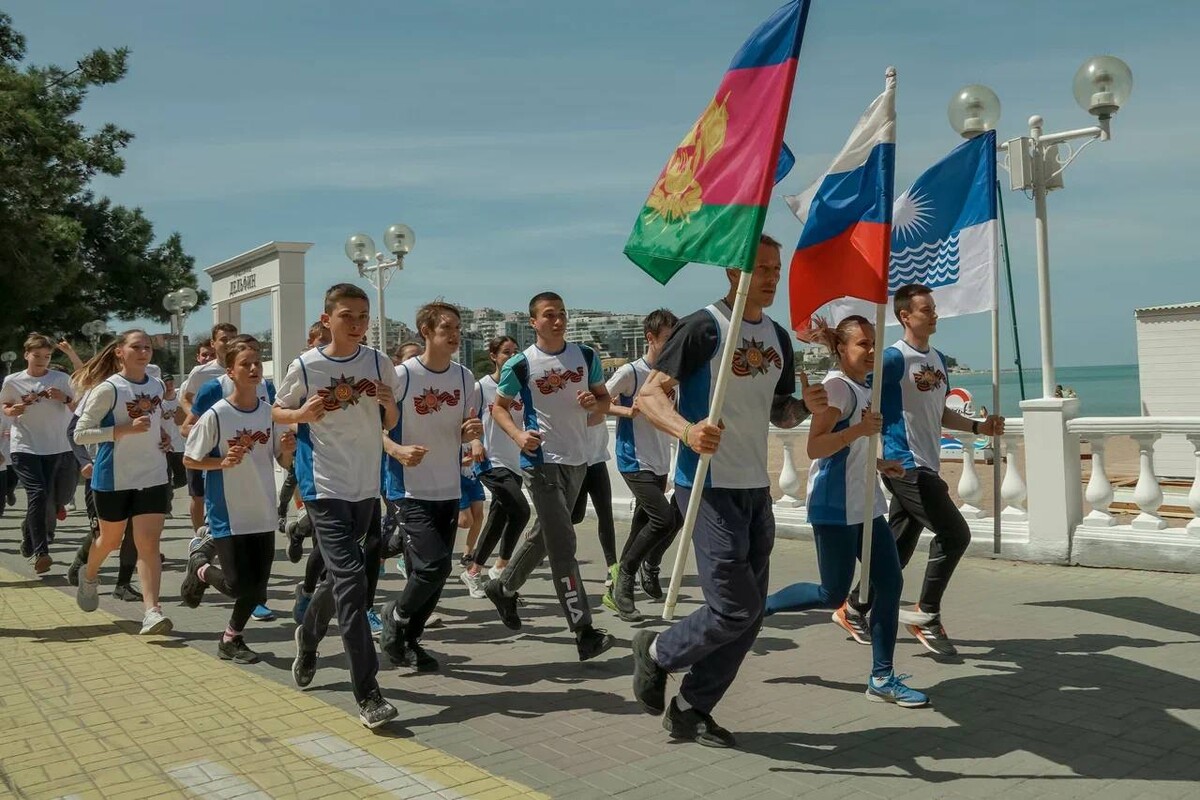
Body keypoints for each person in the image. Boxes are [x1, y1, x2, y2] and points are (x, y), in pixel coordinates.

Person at [629, 234, 827, 747]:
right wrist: (687, 432)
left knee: (751, 614)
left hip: (754, 488)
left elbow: (779, 412)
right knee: (733, 608)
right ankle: (656, 651)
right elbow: (649, 396)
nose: (771, 278)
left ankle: (693, 708)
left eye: (775, 269)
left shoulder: (779, 338)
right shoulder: (703, 328)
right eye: (761, 268)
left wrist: (805, 406)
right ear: (732, 273)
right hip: (707, 487)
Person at [764, 315, 928, 708]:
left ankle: (882, 677)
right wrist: (858, 432)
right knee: (831, 592)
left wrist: (879, 463)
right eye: (863, 344)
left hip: (867, 505)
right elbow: (816, 448)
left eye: (874, 343)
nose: (872, 350)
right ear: (841, 349)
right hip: (835, 507)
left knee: (890, 585)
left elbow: (854, 448)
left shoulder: (865, 386)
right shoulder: (838, 388)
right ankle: (759, 608)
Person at [846, 284, 1005, 657]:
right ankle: (926, 614)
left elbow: (940, 413)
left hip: (928, 463)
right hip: (905, 465)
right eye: (925, 309)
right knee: (955, 535)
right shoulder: (892, 359)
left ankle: (853, 608)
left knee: (897, 552)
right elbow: (859, 394)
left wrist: (980, 428)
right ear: (905, 316)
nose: (933, 314)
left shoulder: (937, 358)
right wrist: (865, 448)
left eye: (933, 308)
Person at [273, 282, 401, 729]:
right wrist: (299, 416)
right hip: (323, 486)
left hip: (366, 486)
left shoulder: (379, 363)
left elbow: (391, 421)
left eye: (364, 316)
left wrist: (389, 407)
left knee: (341, 582)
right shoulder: (306, 366)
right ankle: (368, 694)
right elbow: (277, 410)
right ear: (327, 319)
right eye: (348, 315)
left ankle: (308, 639)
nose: (358, 324)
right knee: (352, 585)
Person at [481, 291, 614, 661]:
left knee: (546, 534)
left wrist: (595, 403)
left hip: (578, 459)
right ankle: (583, 630)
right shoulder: (521, 364)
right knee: (563, 544)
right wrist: (519, 436)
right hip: (541, 463)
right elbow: (499, 408)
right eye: (549, 315)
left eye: (562, 314)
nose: (558, 321)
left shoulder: (586, 356)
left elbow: (604, 402)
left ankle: (503, 587)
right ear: (534, 322)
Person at [380, 302, 483, 672]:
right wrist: (396, 448)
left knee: (435, 574)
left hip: (448, 486)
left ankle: (410, 640)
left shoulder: (464, 378)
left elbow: (467, 426)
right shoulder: (403, 375)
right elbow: (374, 426)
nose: (454, 334)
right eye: (446, 328)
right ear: (426, 331)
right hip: (408, 489)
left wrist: (471, 434)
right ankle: (396, 616)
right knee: (432, 567)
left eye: (457, 327)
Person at [181, 339, 296, 664]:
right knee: (235, 585)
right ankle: (201, 569)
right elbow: (190, 460)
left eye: (257, 362)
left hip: (261, 510)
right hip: (228, 512)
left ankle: (231, 639)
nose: (254, 368)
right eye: (245, 364)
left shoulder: (268, 412)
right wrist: (221, 463)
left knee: (257, 590)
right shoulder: (217, 415)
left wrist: (287, 446)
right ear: (230, 371)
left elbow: (282, 460)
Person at [72, 330, 174, 635]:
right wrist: (122, 430)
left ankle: (152, 611)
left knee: (148, 544)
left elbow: (155, 423)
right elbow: (80, 434)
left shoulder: (155, 385)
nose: (143, 352)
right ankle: (89, 575)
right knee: (110, 540)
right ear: (120, 351)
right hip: (114, 477)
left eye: (147, 348)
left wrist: (163, 437)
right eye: (136, 347)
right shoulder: (108, 389)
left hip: (154, 475)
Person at [602, 309, 682, 621]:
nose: (672, 345)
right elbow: (599, 402)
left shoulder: (671, 374)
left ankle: (637, 572)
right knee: (662, 519)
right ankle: (625, 580)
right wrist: (626, 412)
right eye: (667, 340)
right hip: (633, 458)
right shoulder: (630, 373)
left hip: (661, 458)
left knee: (649, 525)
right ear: (650, 338)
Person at [0, 333, 77, 574]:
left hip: (58, 447)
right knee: (38, 493)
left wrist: (64, 398)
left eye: (47, 356)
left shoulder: (61, 378)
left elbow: (79, 408)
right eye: (37, 355)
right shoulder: (13, 381)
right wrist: (13, 409)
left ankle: (27, 532)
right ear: (26, 355)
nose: (42, 360)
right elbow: (5, 406)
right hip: (26, 447)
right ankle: (41, 552)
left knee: (57, 500)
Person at [460, 336, 531, 593]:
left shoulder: (521, 388)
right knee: (521, 511)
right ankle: (502, 566)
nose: (511, 357)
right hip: (490, 461)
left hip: (515, 461)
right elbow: (467, 420)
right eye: (505, 352)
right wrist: (476, 441)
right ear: (493, 356)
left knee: (498, 520)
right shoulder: (481, 388)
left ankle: (473, 571)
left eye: (515, 352)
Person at [181, 323, 238, 538]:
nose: (229, 342)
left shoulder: (245, 368)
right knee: (198, 496)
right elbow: (186, 399)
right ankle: (199, 538)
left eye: (233, 337)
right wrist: (201, 421)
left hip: (231, 443)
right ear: (214, 344)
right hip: (202, 443)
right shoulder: (202, 372)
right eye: (224, 338)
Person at [573, 411, 617, 580]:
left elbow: (603, 411)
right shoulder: (571, 393)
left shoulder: (600, 392)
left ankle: (612, 567)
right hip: (576, 461)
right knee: (576, 516)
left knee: (605, 514)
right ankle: (540, 535)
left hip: (597, 460)